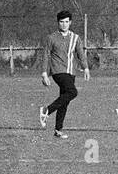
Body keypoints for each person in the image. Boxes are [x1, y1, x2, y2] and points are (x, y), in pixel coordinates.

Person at [38, 10, 89, 140]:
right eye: (62, 22)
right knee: (72, 92)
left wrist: (86, 68)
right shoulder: (51, 38)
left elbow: (80, 54)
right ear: (58, 22)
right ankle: (46, 110)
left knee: (64, 100)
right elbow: (46, 55)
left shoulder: (75, 38)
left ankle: (58, 130)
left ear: (70, 22)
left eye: (66, 22)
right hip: (58, 71)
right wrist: (44, 73)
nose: (64, 24)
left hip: (71, 72)